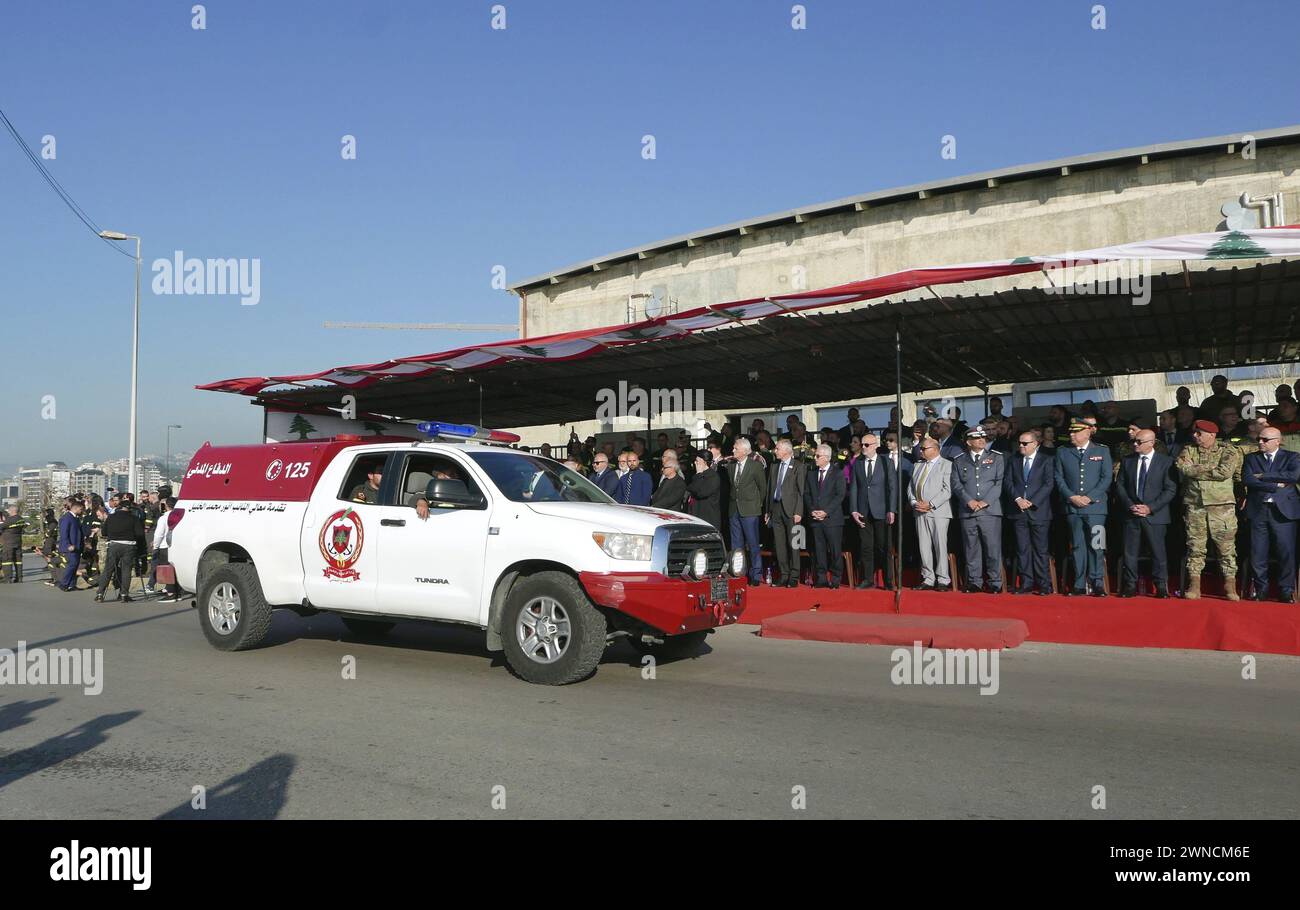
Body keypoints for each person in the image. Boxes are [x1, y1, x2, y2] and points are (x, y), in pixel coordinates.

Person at [1177, 419, 1243, 600]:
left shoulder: (1228, 450)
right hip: (1195, 505)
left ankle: (1230, 585)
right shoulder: (1188, 449)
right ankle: (1195, 584)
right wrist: (1209, 470)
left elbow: (1225, 472)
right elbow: (1183, 468)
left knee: (1226, 548)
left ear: (1212, 435)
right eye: (1195, 433)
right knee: (1195, 546)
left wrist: (1197, 469)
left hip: (1221, 506)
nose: (1195, 436)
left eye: (1199, 433)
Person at [1114, 430, 1178, 598]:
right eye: (1134, 441)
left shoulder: (1166, 462)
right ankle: (1129, 585)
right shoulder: (1127, 461)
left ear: (1151, 443)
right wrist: (1130, 505)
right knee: (1130, 552)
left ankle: (1161, 586)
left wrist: (1150, 508)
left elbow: (1170, 489)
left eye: (1139, 442)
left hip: (1155, 515)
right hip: (1132, 513)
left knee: (1158, 552)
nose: (1135, 444)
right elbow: (1120, 486)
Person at [1055, 419, 1113, 597]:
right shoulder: (1063, 452)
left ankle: (1097, 583)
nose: (1071, 434)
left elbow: (1106, 478)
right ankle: (1079, 583)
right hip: (1073, 507)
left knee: (1097, 545)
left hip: (1096, 508)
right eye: (1071, 431)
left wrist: (1089, 497)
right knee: (1077, 546)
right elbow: (1059, 477)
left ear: (1088, 432)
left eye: (1076, 431)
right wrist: (1071, 496)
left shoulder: (1102, 450)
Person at [1241, 428, 1299, 602]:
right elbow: (1248, 479)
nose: (1260, 442)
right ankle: (1261, 589)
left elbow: (1293, 475)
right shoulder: (1251, 458)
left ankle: (1286, 590)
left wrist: (1263, 476)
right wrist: (1275, 485)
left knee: (1286, 552)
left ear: (1277, 441)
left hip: (1283, 512)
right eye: (1259, 438)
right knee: (1258, 552)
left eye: (1265, 439)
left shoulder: (1292, 457)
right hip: (1258, 510)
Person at [951, 426, 1005, 593]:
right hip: (968, 511)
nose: (982, 440)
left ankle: (995, 582)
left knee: (992, 548)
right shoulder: (959, 460)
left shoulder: (996, 458)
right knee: (971, 548)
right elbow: (956, 484)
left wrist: (985, 502)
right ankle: (975, 581)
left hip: (990, 511)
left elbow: (998, 483)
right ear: (968, 442)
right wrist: (969, 501)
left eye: (983, 438)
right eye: (977, 438)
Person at [1004, 430, 1054, 595]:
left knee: (1040, 550)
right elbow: (1008, 481)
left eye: (1025, 443)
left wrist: (1032, 501)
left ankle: (1044, 584)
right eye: (1019, 443)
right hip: (1018, 511)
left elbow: (1048, 484)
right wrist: (1018, 499)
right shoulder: (1014, 459)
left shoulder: (1046, 460)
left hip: (1038, 511)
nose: (1021, 446)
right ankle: (1026, 583)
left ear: (1035, 444)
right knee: (1022, 548)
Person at [849, 433, 893, 589]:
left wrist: (891, 510)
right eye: (862, 445)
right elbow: (854, 487)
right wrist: (853, 509)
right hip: (863, 511)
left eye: (866, 445)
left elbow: (892, 487)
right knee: (866, 547)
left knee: (884, 547)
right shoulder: (858, 463)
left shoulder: (886, 462)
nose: (863, 448)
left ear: (875, 445)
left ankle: (888, 581)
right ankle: (868, 579)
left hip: (882, 510)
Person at [909, 439, 953, 591]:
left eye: (923, 448)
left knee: (940, 545)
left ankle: (943, 579)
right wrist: (915, 502)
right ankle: (928, 578)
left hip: (938, 512)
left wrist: (931, 504)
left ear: (935, 449)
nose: (920, 451)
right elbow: (910, 488)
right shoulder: (918, 465)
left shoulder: (946, 464)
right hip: (920, 511)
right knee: (924, 546)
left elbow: (947, 490)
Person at [765, 439, 806, 587]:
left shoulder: (798, 466)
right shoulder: (774, 466)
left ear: (787, 451)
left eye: (777, 448)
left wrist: (799, 511)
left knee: (794, 544)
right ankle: (784, 574)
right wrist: (768, 510)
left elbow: (801, 491)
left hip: (792, 510)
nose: (774, 451)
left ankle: (794, 576)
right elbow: (770, 489)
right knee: (780, 544)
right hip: (776, 509)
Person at [803, 444, 846, 588]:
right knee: (819, 549)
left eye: (818, 456)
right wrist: (812, 510)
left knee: (835, 550)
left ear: (827, 458)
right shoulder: (811, 473)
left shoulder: (838, 473)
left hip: (832, 519)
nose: (815, 458)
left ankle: (835, 578)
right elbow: (807, 494)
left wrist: (826, 511)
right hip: (815, 518)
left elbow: (840, 495)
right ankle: (821, 578)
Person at [728, 437, 767, 585]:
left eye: (735, 448)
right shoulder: (731, 466)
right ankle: (739, 573)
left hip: (750, 510)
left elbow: (762, 488)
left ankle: (756, 575)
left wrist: (757, 505)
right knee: (736, 545)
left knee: (753, 544)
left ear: (745, 451)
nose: (733, 451)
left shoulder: (755, 466)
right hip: (734, 509)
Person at [95, 500, 145, 603]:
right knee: (126, 570)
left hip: (114, 545)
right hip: (129, 546)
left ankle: (100, 594)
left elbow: (104, 532)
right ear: (129, 508)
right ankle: (124, 595)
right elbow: (140, 534)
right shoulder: (134, 518)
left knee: (108, 570)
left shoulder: (111, 517)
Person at [686, 452, 721, 531]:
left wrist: (699, 474)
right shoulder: (696, 474)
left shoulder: (713, 476)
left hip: (708, 517)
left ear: (704, 462)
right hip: (696, 514)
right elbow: (690, 487)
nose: (695, 463)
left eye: (697, 461)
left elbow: (701, 493)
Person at [56, 500, 86, 592]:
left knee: (75, 565)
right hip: (70, 547)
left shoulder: (76, 518)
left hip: (77, 546)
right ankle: (64, 583)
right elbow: (64, 533)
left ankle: (72, 585)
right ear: (75, 508)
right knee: (72, 564)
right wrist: (68, 544)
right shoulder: (66, 518)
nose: (82, 511)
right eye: (81, 509)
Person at [0, 505, 27, 583]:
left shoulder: (10, 520)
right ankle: (19, 578)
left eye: (8, 511)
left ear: (12, 511)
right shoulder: (21, 519)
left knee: (7, 560)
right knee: (18, 560)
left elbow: (1, 527)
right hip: (18, 542)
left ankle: (8, 579)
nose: (8, 512)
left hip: (9, 543)